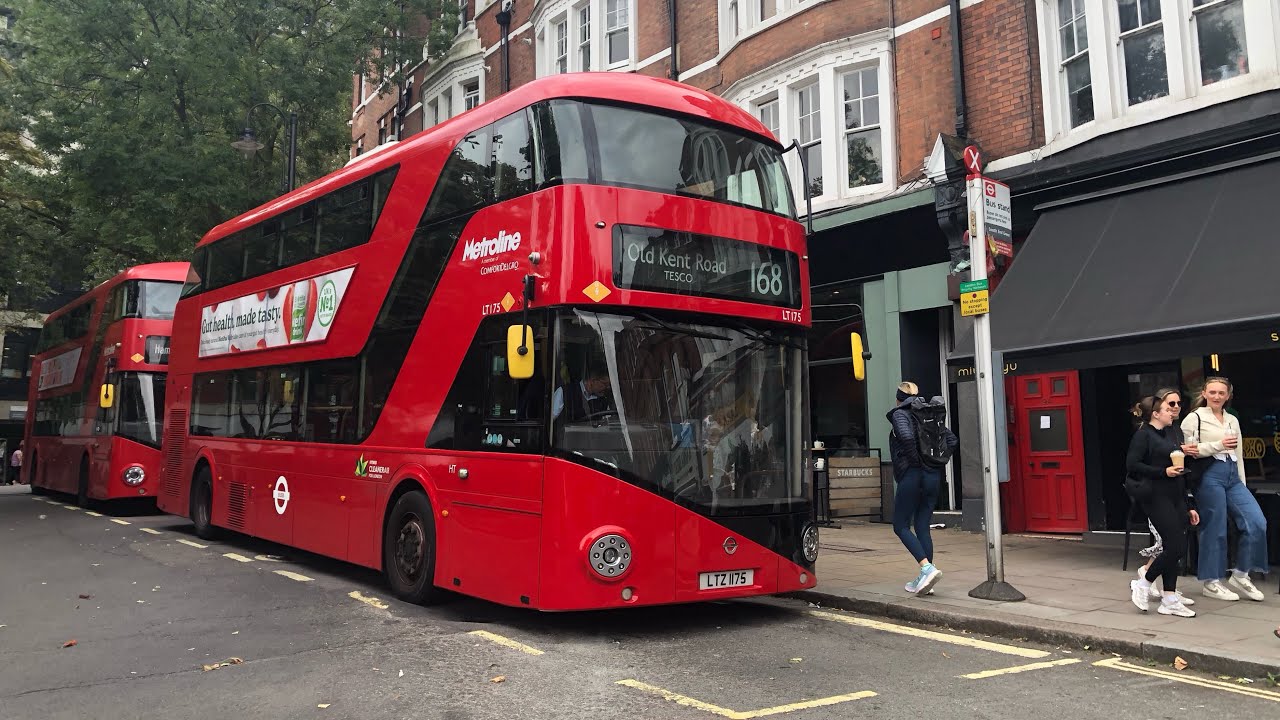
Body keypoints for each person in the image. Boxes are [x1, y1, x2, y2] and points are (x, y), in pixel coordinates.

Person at [1180, 377, 1268, 601]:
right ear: (1204, 393)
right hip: (1209, 474)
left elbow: (1237, 454)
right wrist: (1218, 445)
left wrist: (1242, 482)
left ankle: (1240, 574)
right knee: (1215, 527)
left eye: (1221, 393)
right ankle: (1210, 582)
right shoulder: (1194, 418)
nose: (1217, 396)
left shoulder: (1232, 419)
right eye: (1213, 392)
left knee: (1257, 522)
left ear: (1228, 395)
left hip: (1232, 475)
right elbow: (1188, 451)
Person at [1125, 390, 1199, 617]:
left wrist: (1189, 505)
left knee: (1176, 547)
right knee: (1175, 545)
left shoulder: (1171, 433)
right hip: (1154, 495)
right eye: (1168, 409)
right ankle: (1144, 582)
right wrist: (1162, 471)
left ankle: (1169, 598)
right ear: (1155, 414)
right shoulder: (1143, 435)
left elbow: (1181, 471)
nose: (1172, 411)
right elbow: (1133, 465)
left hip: (1175, 494)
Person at [887, 381, 958, 596]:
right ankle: (926, 579)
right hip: (932, 475)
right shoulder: (928, 415)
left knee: (900, 525)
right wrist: (936, 462)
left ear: (898, 398)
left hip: (913, 474)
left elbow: (907, 438)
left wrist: (915, 463)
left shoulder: (901, 414)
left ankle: (927, 568)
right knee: (922, 526)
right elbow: (952, 440)